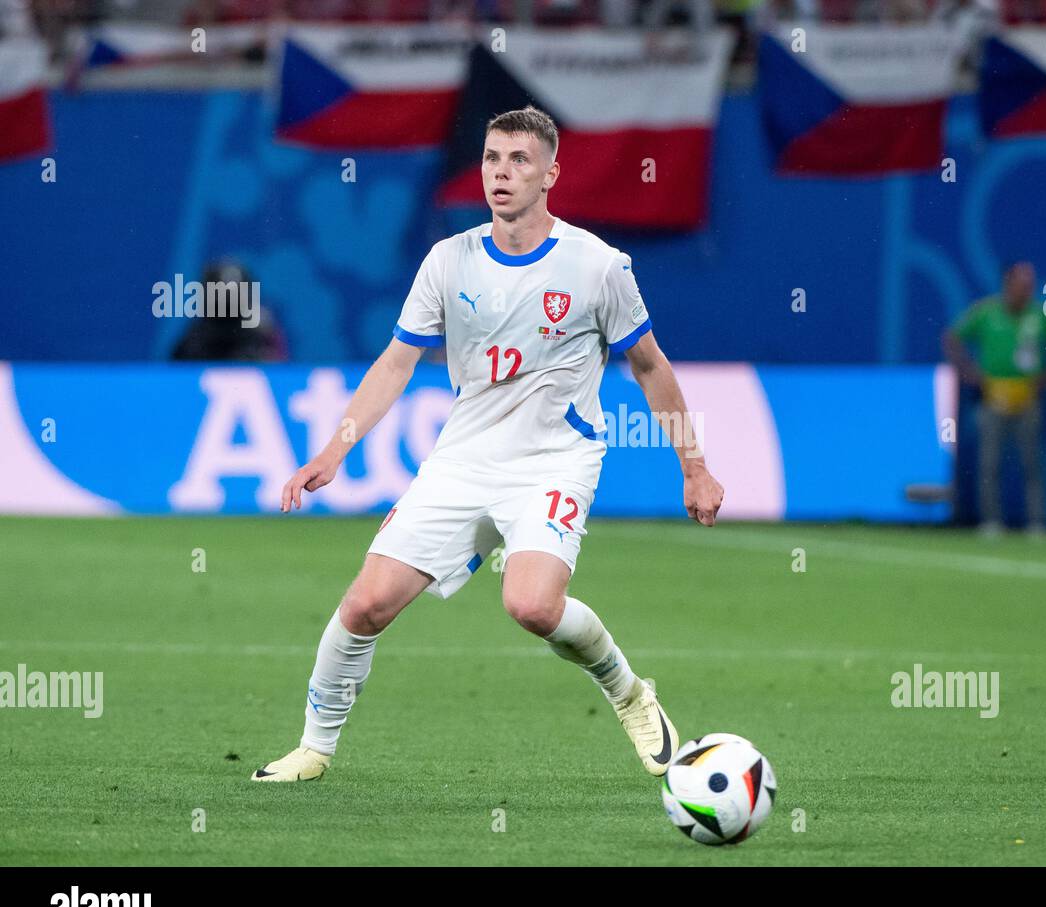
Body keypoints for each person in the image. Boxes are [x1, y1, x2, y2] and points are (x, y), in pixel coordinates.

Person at [253, 106, 724, 782]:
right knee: (364, 604)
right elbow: (396, 361)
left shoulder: (596, 267)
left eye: (519, 161)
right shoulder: (449, 261)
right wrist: (334, 451)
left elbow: (650, 365)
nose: (501, 173)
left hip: (555, 462)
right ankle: (314, 750)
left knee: (530, 605)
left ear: (550, 174)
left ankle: (628, 691)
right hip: (463, 460)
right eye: (492, 158)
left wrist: (695, 467)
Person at [943, 261, 1046, 536]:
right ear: (1007, 283)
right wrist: (969, 373)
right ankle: (991, 522)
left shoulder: (1039, 315)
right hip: (994, 398)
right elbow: (952, 337)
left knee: (1033, 465)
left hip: (1027, 398)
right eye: (1021, 284)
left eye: (1030, 285)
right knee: (990, 463)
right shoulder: (987, 312)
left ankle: (1037, 522)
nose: (1027, 290)